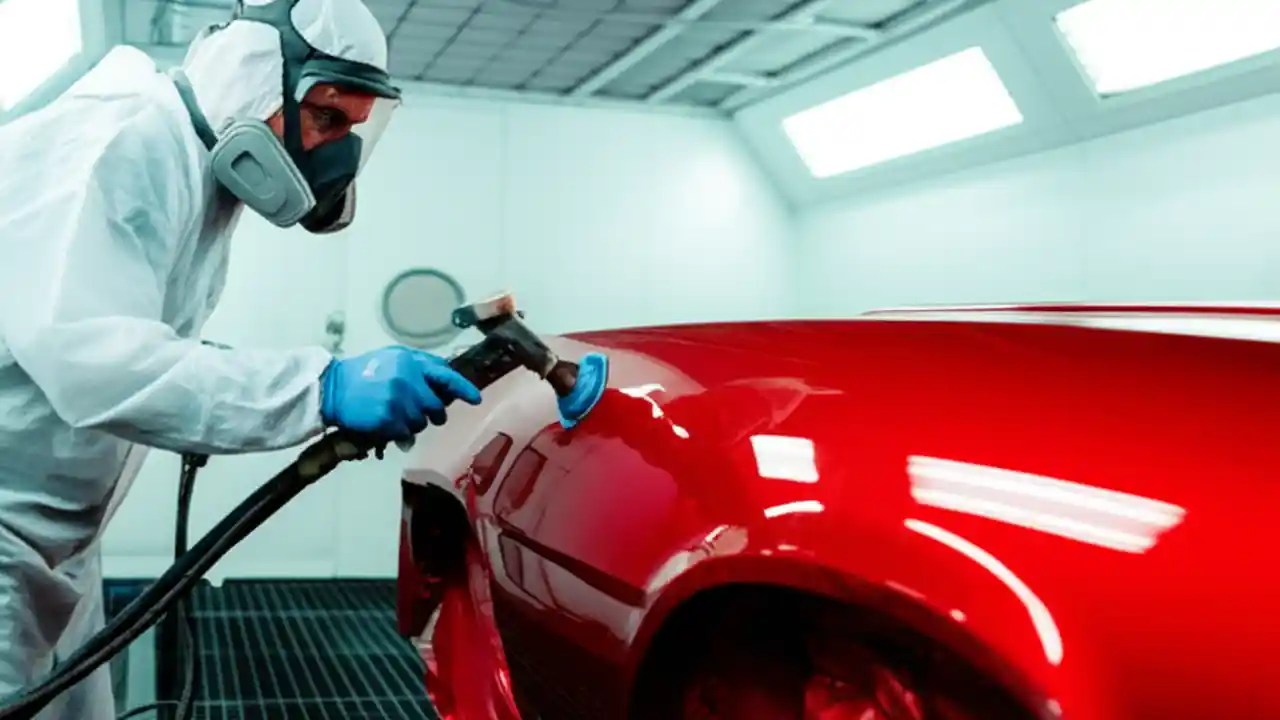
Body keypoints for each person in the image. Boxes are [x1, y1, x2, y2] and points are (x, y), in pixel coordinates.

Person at [0, 0, 481, 716]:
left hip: (57, 541)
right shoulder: (119, 140)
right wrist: (320, 387)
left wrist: (275, 381)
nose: (337, 154)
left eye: (352, 128)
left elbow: (126, 337)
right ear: (254, 79)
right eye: (327, 119)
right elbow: (93, 358)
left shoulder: (195, 176)